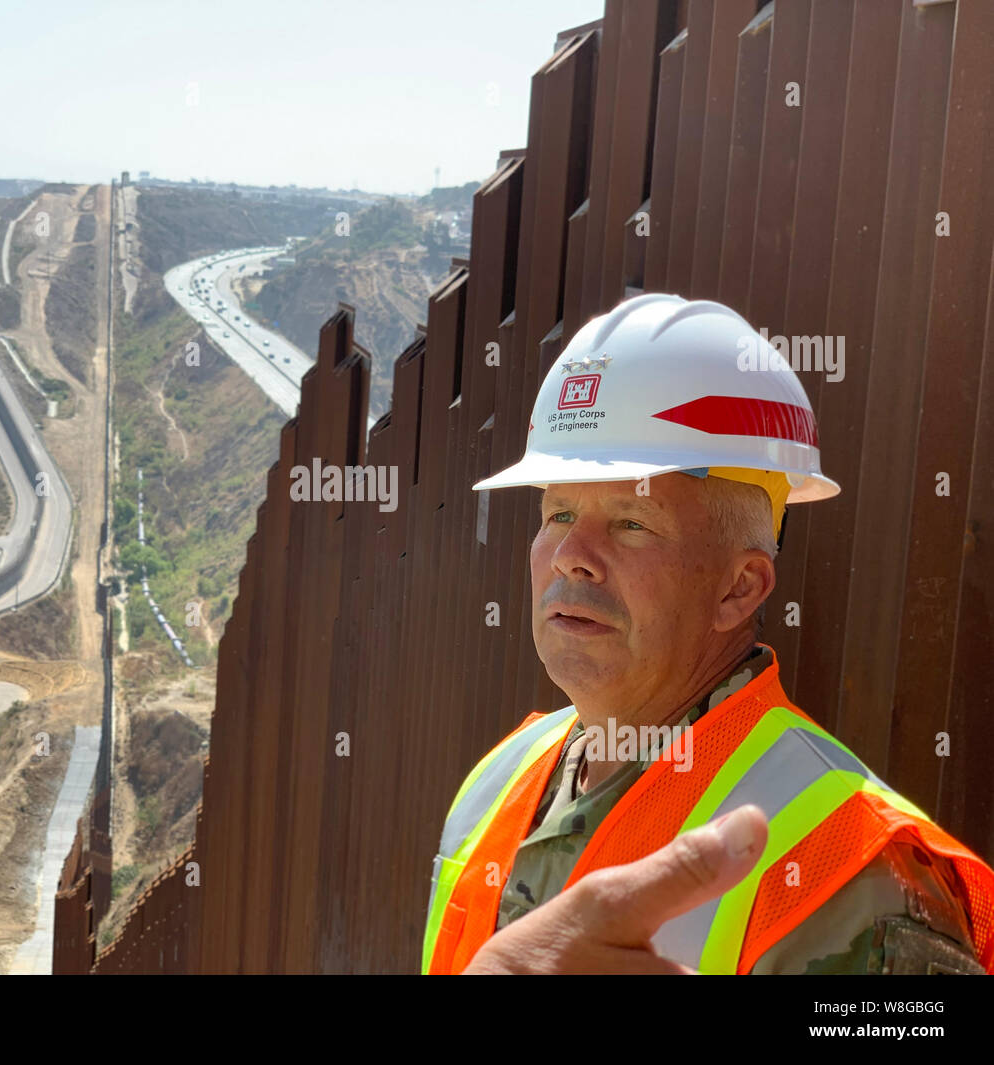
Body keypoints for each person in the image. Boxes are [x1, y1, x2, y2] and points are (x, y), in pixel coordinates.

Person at [422, 293, 993, 975]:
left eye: (631, 522)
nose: (572, 553)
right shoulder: (499, 780)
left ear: (740, 587)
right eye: (559, 511)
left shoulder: (848, 866)